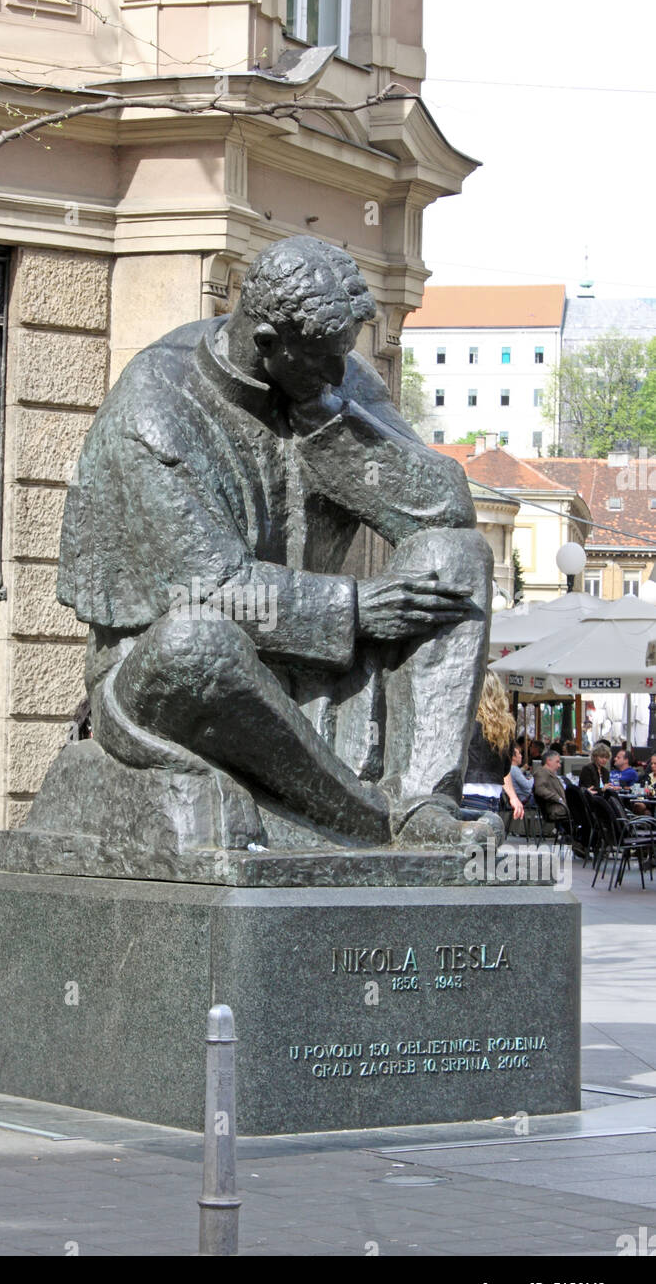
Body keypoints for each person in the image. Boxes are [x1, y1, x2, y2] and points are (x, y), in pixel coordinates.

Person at [57, 235, 496, 851]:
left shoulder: (332, 376)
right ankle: (368, 820)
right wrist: (357, 609)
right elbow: (208, 590)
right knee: (196, 644)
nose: (341, 375)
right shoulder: (155, 402)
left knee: (456, 558)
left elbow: (446, 506)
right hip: (177, 675)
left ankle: (423, 804)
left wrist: (332, 426)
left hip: (317, 666)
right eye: (322, 361)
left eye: (344, 357)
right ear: (267, 343)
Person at [462, 671, 524, 820]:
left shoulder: (467, 722)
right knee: (489, 842)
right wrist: (512, 796)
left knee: (467, 842)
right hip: (493, 798)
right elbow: (505, 769)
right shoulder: (505, 727)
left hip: (467, 794)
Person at [533, 749, 570, 824]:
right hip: (556, 808)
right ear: (548, 761)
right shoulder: (542, 772)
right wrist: (557, 798)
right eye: (557, 762)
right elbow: (539, 789)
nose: (559, 765)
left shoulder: (550, 774)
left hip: (561, 806)